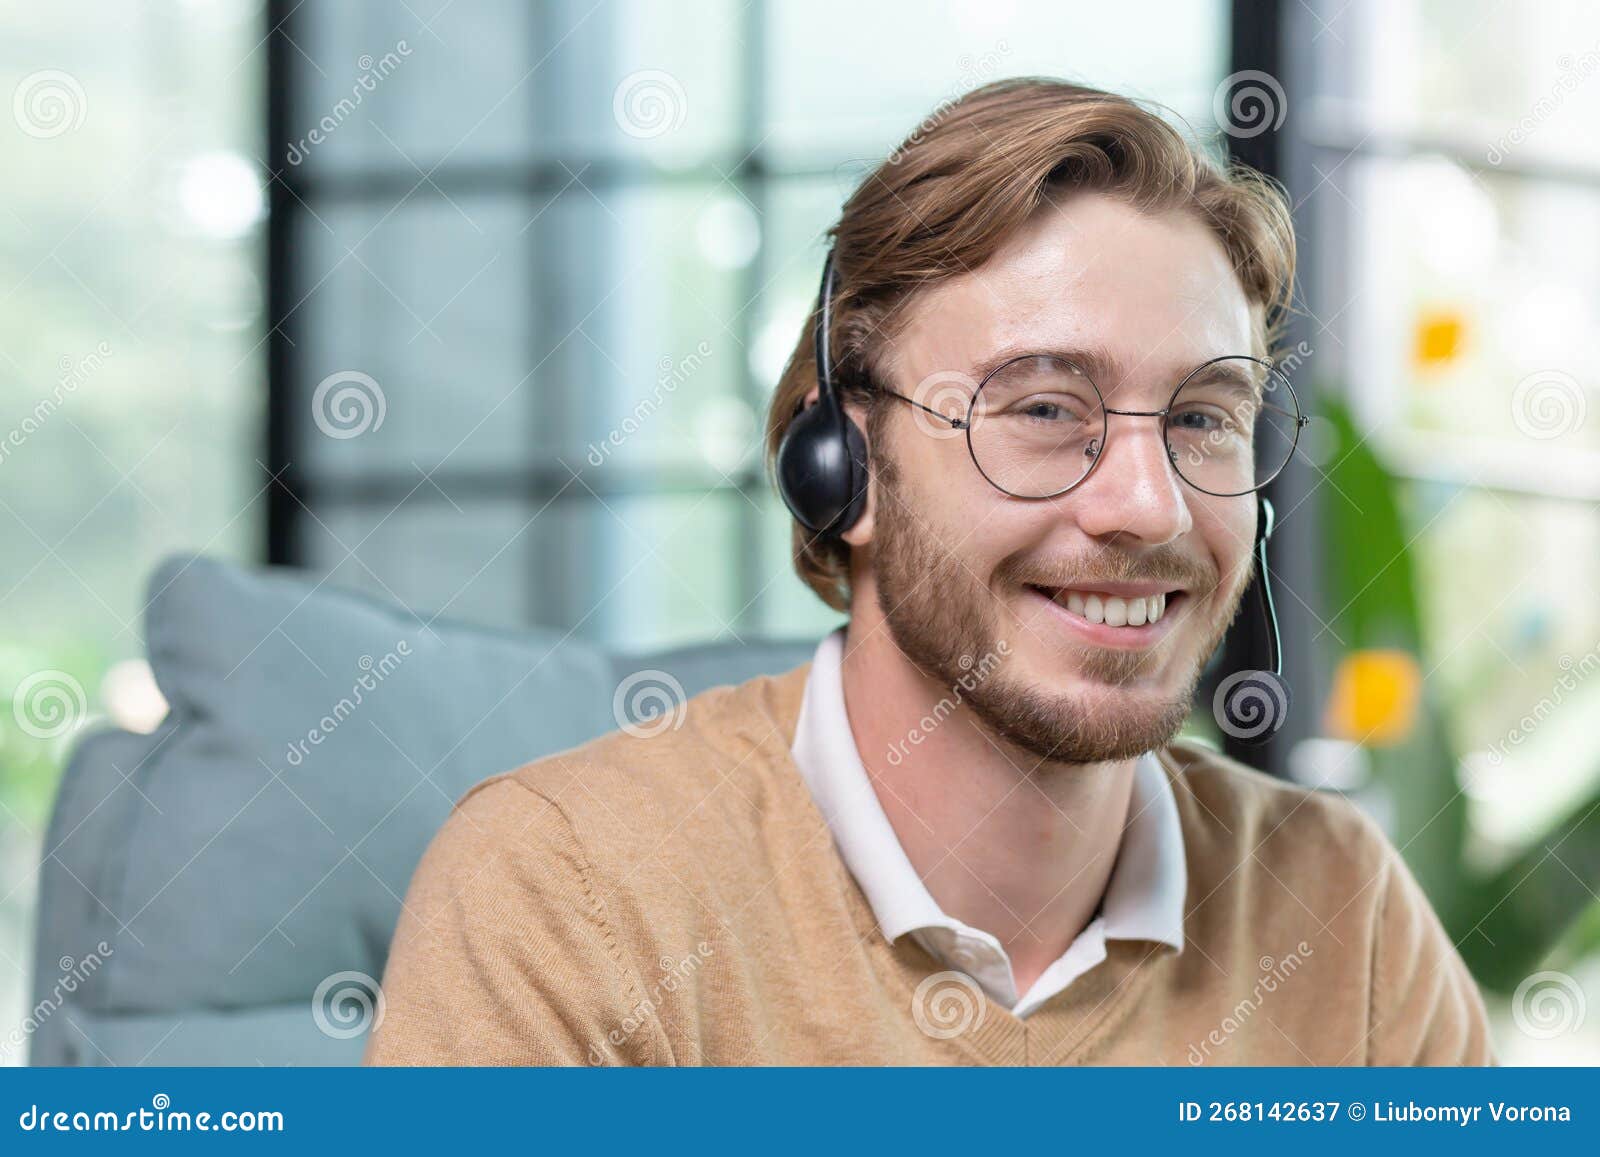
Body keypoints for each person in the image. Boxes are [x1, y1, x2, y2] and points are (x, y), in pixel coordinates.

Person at [365, 78, 1492, 1066]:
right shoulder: (568, 892)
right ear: (842, 466)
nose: (1148, 504)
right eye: (1046, 408)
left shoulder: (1336, 902)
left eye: (1203, 417)